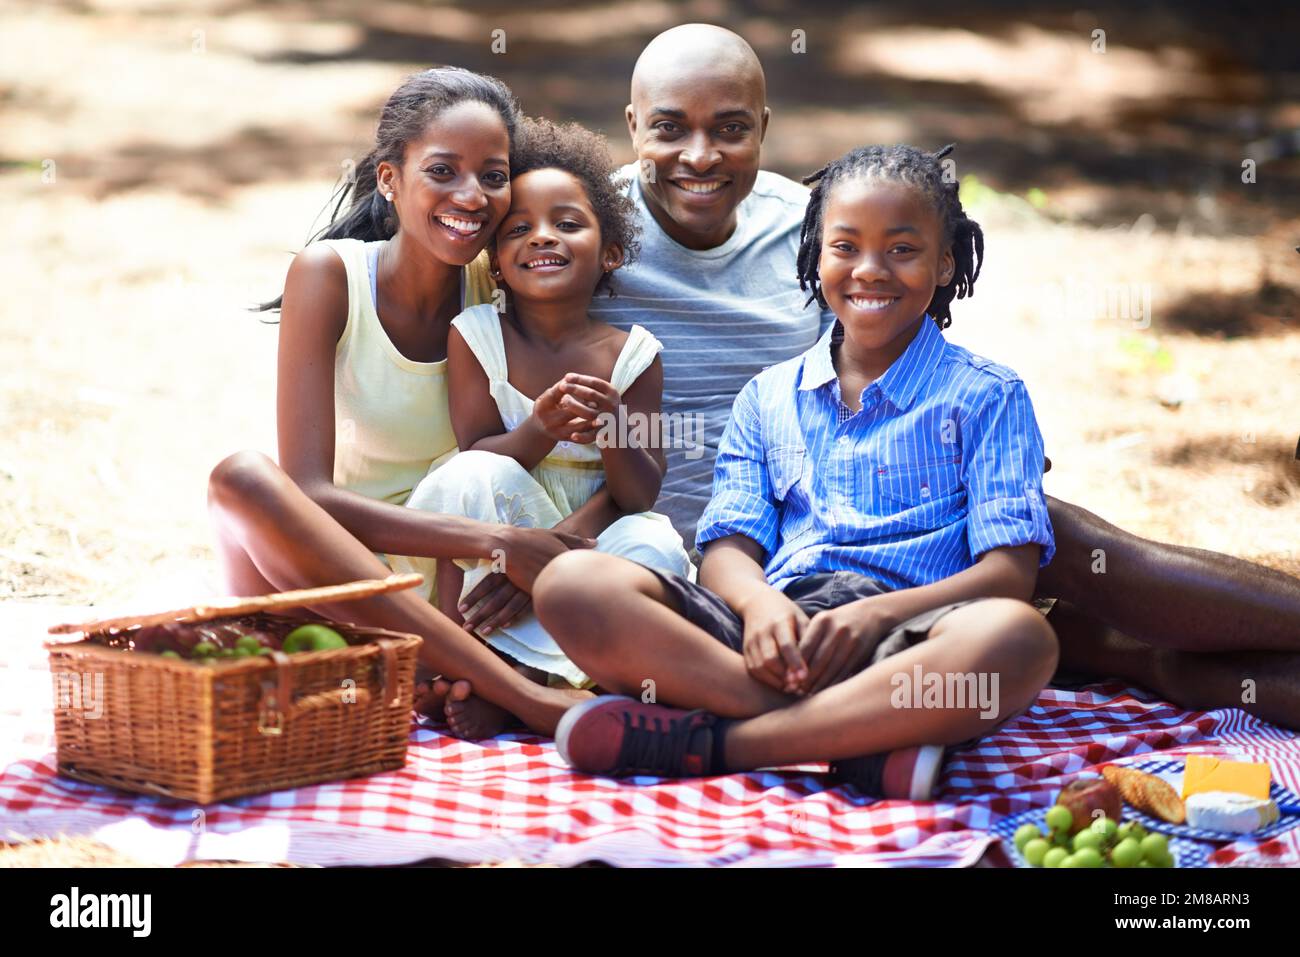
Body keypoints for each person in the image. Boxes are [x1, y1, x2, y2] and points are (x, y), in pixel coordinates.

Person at [588, 23, 1300, 729]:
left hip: (873, 513)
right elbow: (494, 340)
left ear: (764, 126)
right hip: (724, 550)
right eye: (670, 129)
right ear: (632, 125)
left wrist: (972, 432)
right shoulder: (582, 231)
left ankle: (1141, 653)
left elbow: (881, 332)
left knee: (1053, 535)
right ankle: (1120, 659)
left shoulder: (804, 226)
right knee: (1049, 617)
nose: (700, 155)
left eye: (731, 128)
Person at [536, 143, 1058, 797]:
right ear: (815, 256)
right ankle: (858, 745)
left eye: (902, 249)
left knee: (1019, 636)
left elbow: (1008, 575)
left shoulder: (989, 394)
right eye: (845, 247)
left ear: (945, 260)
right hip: (773, 635)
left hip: (912, 640)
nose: (870, 270)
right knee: (570, 584)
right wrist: (760, 608)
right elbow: (726, 547)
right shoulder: (769, 395)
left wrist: (874, 617)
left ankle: (719, 744)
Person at [206, 68, 610, 738]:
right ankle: (518, 696)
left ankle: (435, 671)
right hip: (339, 578)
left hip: (464, 597)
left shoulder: (508, 281)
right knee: (240, 479)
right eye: (443, 171)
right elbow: (310, 492)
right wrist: (502, 541)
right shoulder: (331, 276)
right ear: (390, 180)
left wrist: (549, 549)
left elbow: (599, 451)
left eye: (493, 174)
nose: (471, 195)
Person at [395, 117, 691, 736]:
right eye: (519, 229)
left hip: (593, 543)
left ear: (609, 251)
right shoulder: (476, 336)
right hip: (501, 544)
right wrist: (541, 426)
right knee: (469, 476)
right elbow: (478, 451)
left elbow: (638, 495)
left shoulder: (635, 354)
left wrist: (613, 432)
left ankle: (538, 687)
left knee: (654, 544)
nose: (542, 238)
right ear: (497, 263)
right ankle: (467, 664)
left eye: (567, 223)